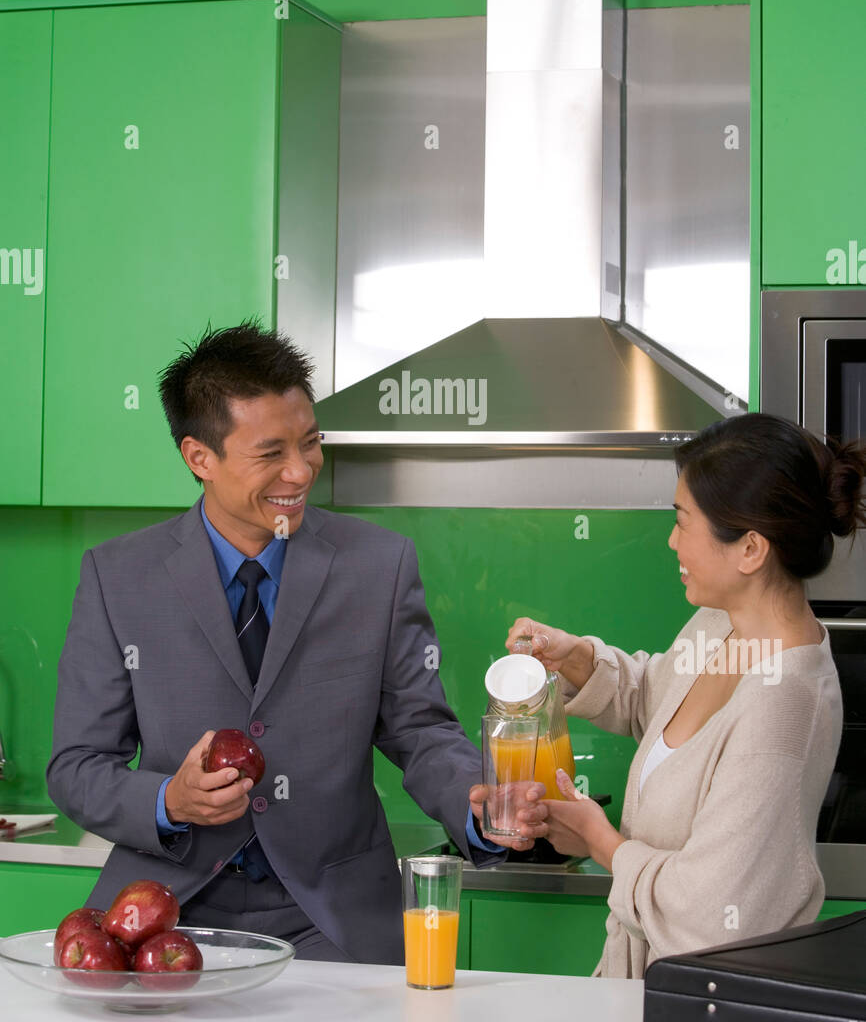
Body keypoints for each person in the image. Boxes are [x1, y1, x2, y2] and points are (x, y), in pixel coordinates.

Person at [46, 321, 506, 965]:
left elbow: (421, 730)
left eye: (310, 443)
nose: (300, 470)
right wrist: (167, 801)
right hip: (166, 917)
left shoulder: (379, 565)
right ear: (198, 457)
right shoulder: (117, 577)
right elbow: (76, 768)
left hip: (334, 918)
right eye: (270, 453)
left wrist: (478, 805)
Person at [470, 412, 866, 978]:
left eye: (684, 521)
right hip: (644, 992)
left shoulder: (786, 704)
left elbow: (711, 915)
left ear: (750, 549)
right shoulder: (719, 623)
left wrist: (600, 841)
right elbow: (658, 699)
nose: (671, 540)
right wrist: (576, 657)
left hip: (713, 1008)